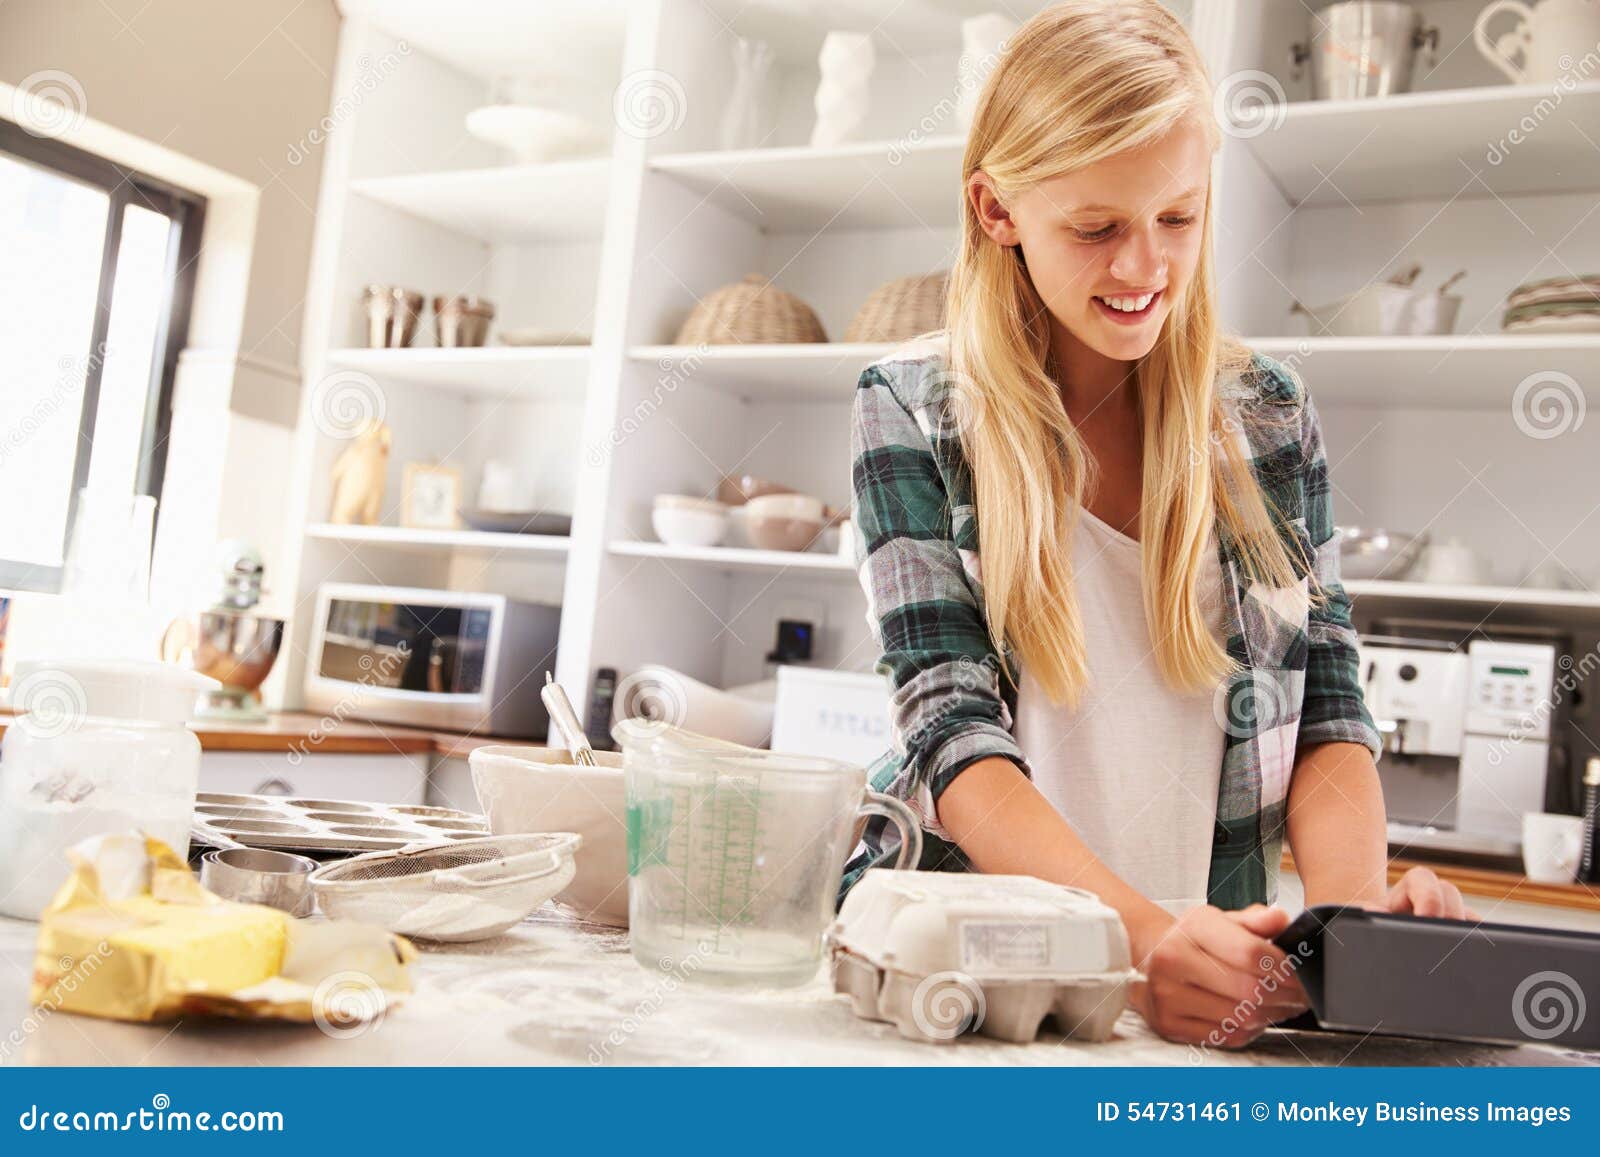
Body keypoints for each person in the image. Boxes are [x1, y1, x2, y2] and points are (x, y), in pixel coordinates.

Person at [842, 0, 1474, 1048]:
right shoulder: (915, 406)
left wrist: (1350, 934)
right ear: (997, 210)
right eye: (1095, 228)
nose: (1144, 270)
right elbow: (952, 734)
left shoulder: (1267, 415)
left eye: (1177, 219)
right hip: (971, 981)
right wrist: (1134, 945)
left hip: (1199, 991)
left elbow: (1326, 703)